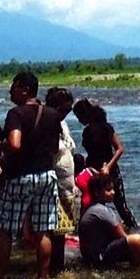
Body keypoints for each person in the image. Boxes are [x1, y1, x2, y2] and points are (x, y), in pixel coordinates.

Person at [0, 72, 68, 279]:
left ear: (25, 90)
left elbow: (15, 144)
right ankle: (43, 278)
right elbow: (54, 148)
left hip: (20, 177)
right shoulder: (52, 114)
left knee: (6, 230)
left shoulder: (16, 114)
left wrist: (0, 145)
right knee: (44, 230)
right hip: (46, 176)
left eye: (14, 86)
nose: (11, 91)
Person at [74, 99, 137, 230]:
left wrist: (108, 166)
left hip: (110, 170)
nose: (78, 120)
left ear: (85, 114)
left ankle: (134, 229)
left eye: (79, 116)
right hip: (94, 172)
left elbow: (119, 149)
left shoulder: (106, 128)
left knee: (120, 205)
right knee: (95, 204)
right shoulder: (86, 132)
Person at [78, 168, 140, 268]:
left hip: (92, 255)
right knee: (137, 240)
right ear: (97, 192)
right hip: (98, 258)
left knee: (137, 236)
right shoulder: (101, 211)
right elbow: (123, 237)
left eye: (113, 189)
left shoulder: (91, 208)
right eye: (108, 190)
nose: (113, 192)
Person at [44, 87, 79, 221]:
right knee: (53, 226)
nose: (65, 114)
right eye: (63, 110)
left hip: (68, 186)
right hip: (53, 187)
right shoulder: (46, 124)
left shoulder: (63, 124)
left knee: (68, 225)